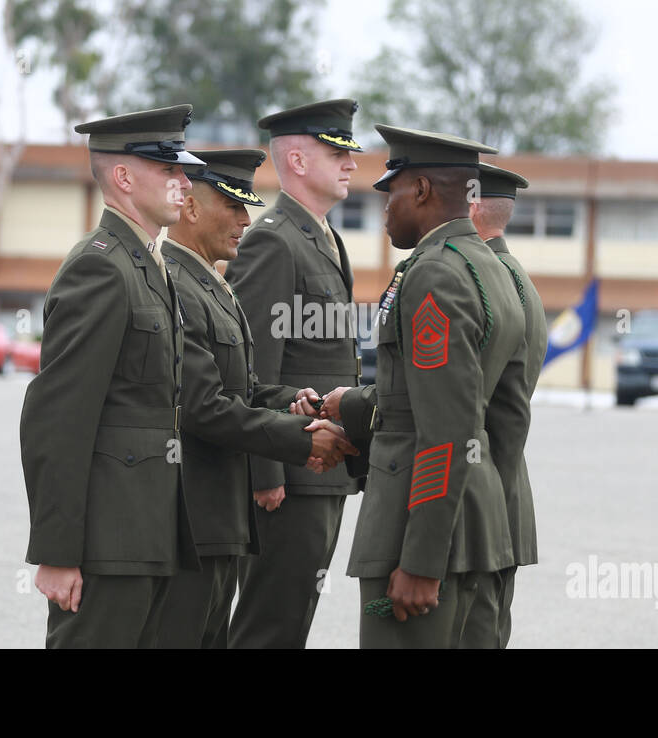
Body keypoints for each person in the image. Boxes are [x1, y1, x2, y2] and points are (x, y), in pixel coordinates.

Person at [327, 124, 528, 648]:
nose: (385, 209)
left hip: (418, 531)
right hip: (475, 527)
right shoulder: (494, 270)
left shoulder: (434, 273)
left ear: (419, 190)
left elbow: (444, 427)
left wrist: (421, 560)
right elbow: (505, 419)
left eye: (390, 192)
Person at [153, 148, 357, 648]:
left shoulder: (212, 283)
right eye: (233, 206)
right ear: (191, 208)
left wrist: (295, 401)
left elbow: (244, 384)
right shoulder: (175, 282)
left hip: (220, 513)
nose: (246, 219)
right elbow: (204, 404)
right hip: (191, 509)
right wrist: (296, 442)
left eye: (248, 206)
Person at [19, 104, 205, 648]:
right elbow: (57, 415)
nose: (185, 182)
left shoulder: (149, 263)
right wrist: (57, 552)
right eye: (170, 169)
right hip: (108, 542)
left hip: (148, 534)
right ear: (124, 177)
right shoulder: (101, 266)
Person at [223, 99, 366, 648]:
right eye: (337, 152)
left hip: (320, 471)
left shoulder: (324, 236)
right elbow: (252, 369)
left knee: (292, 621)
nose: (351, 163)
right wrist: (266, 472)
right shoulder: (274, 239)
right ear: (299, 162)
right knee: (270, 624)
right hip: (289, 473)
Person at [460, 162, 546, 648]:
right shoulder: (515, 276)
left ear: (471, 206)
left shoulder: (487, 278)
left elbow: (496, 407)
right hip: (499, 492)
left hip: (482, 492)